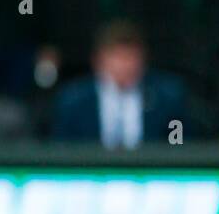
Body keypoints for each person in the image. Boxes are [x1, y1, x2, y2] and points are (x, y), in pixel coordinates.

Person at [52, 21, 190, 148]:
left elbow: (180, 148)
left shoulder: (169, 98)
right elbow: (61, 149)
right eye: (118, 57)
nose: (126, 65)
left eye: (131, 57)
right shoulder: (73, 100)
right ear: (98, 60)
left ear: (143, 60)